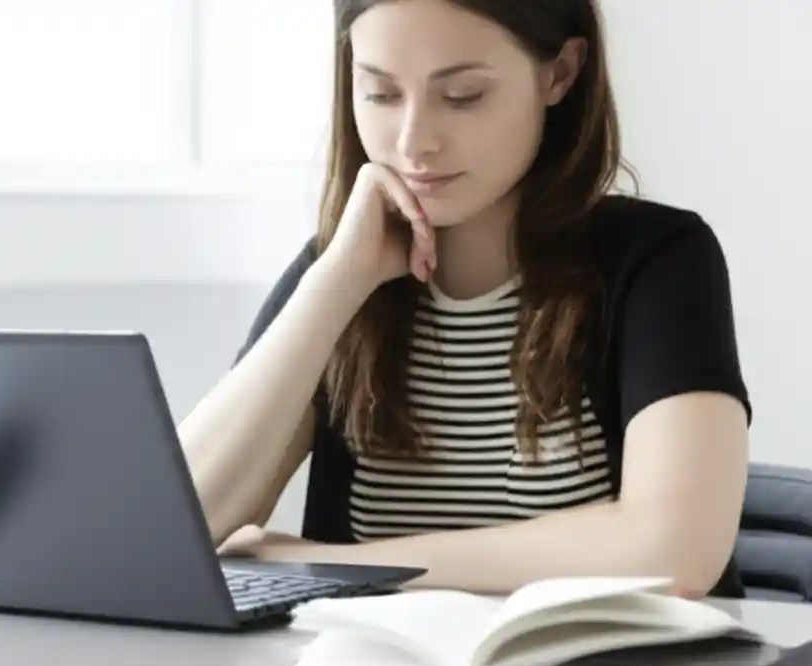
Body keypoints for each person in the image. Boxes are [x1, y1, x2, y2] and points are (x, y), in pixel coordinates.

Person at [177, 0, 751, 598]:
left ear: (559, 73)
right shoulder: (341, 273)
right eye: (380, 93)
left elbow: (674, 551)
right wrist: (336, 283)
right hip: (376, 663)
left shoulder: (659, 260)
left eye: (462, 96)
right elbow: (177, 530)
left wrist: (336, 566)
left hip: (610, 663)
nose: (414, 142)